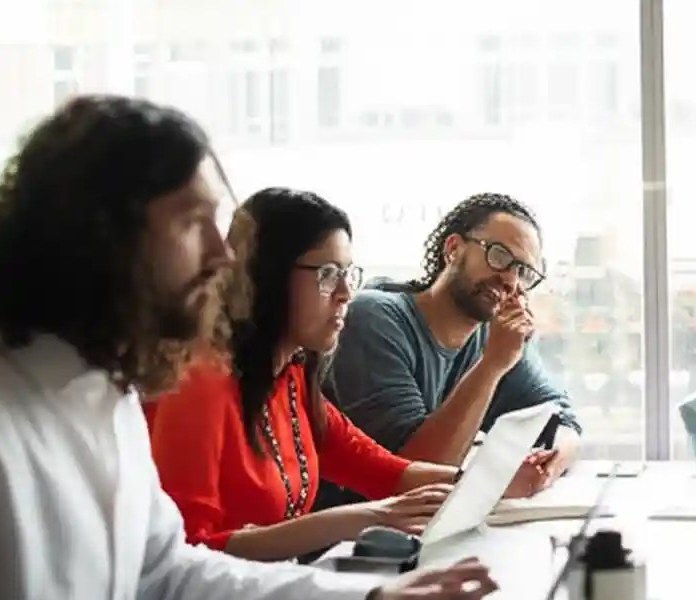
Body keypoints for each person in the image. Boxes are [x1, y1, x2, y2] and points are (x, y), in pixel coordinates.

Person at [0, 95, 497, 600]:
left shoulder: (104, 396)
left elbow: (164, 579)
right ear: (100, 235)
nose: (223, 257)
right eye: (193, 223)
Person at [146, 187, 460, 562]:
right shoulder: (201, 383)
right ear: (267, 276)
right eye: (327, 274)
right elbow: (186, 552)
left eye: (348, 274)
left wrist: (490, 481)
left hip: (264, 596)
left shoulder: (289, 374)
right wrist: (356, 519)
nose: (345, 293)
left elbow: (380, 470)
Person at [322, 193, 582, 506]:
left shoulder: (494, 337)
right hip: (349, 541)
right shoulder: (373, 318)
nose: (511, 280)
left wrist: (550, 465)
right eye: (499, 256)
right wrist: (492, 365)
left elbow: (563, 418)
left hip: (420, 529)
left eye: (525, 272)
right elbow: (411, 476)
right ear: (453, 249)